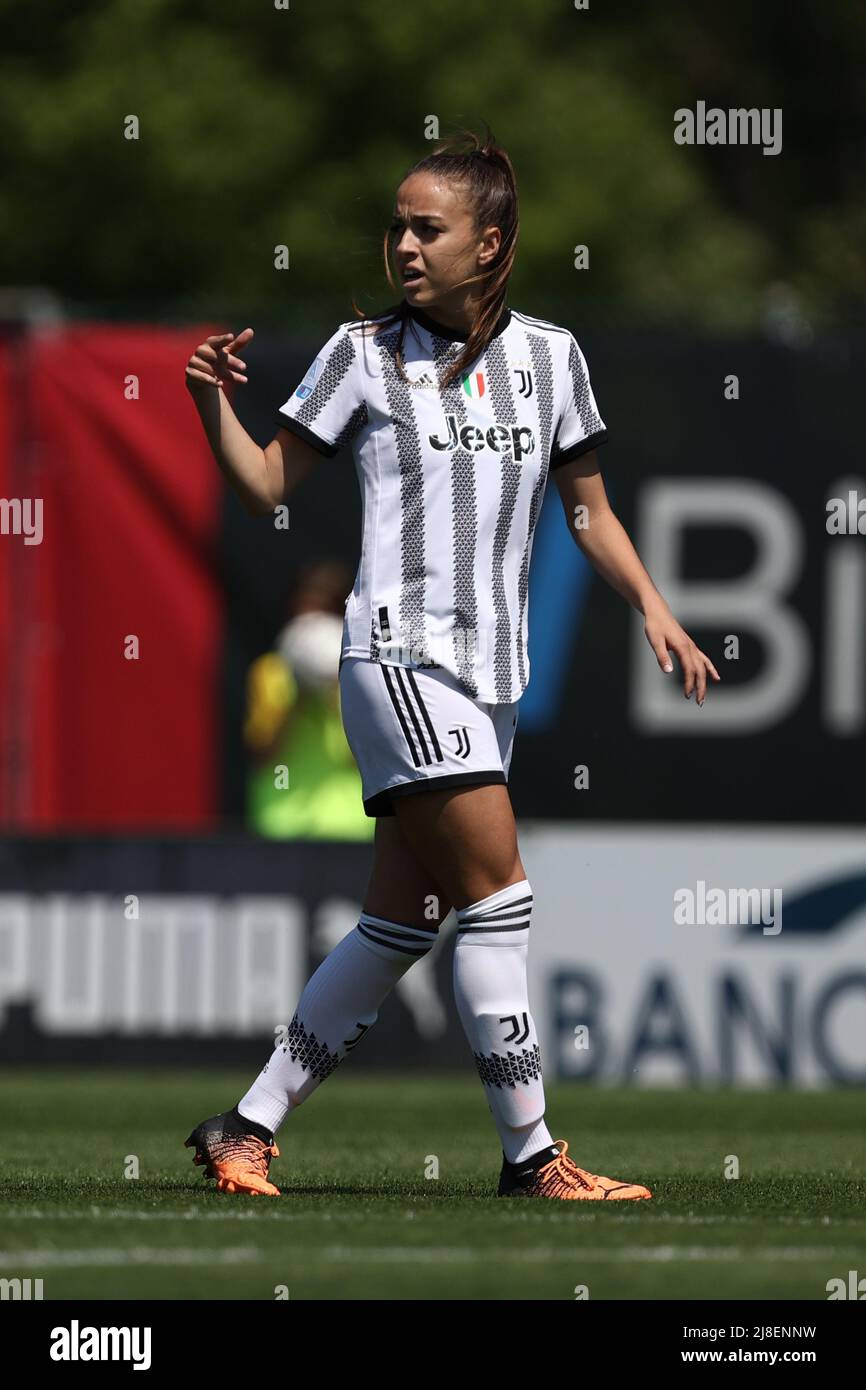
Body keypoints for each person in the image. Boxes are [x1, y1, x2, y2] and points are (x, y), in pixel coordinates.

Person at [182, 127, 719, 1201]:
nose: (405, 244)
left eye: (428, 226)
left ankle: (241, 1129)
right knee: (499, 900)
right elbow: (264, 488)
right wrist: (208, 399)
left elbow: (590, 512)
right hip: (397, 656)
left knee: (401, 924)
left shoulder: (552, 358)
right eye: (398, 225)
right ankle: (532, 1157)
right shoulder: (360, 352)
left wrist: (655, 606)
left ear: (491, 242)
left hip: (490, 676)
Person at [244, 560, 374, 841]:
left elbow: (364, 759)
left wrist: (335, 694)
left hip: (349, 825)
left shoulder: (362, 676)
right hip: (280, 823)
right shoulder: (269, 672)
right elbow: (263, 755)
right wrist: (296, 700)